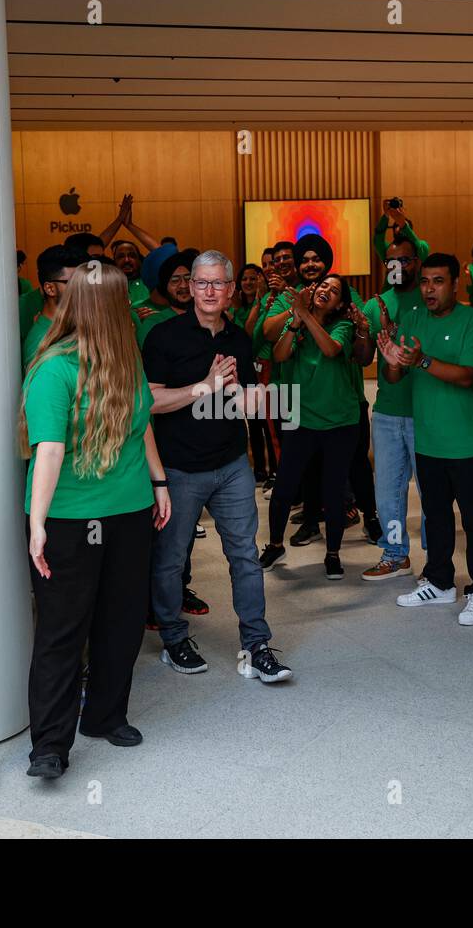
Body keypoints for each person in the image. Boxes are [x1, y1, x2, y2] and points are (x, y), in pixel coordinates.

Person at [22, 264, 170, 779]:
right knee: (63, 631)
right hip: (69, 517)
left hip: (129, 511)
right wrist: (37, 523)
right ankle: (50, 745)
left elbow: (143, 422)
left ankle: (105, 716)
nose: (130, 307)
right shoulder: (54, 369)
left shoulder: (127, 359)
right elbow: (49, 450)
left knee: (123, 621)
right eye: (121, 301)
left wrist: (159, 481)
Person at [144, 250, 293, 682]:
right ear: (190, 287)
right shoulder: (163, 337)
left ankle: (256, 645)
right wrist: (202, 388)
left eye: (219, 284)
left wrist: (257, 398)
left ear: (230, 290)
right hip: (178, 468)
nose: (210, 291)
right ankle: (173, 639)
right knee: (171, 560)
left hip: (231, 464)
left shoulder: (238, 340)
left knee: (245, 555)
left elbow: (242, 399)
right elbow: (149, 403)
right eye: (201, 283)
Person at [380, 253, 473, 622]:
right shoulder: (412, 319)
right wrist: (394, 362)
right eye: (425, 282)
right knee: (435, 516)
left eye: (438, 281)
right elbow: (396, 378)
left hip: (468, 442)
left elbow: (467, 376)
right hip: (427, 440)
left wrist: (422, 361)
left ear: (454, 284)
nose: (429, 289)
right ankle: (440, 581)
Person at [259, 274, 361, 580]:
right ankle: (275, 544)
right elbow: (279, 354)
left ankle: (332, 554)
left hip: (340, 423)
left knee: (332, 492)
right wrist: (295, 320)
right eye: (322, 287)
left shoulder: (343, 325)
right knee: (284, 488)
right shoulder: (297, 324)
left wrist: (306, 315)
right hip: (300, 420)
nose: (325, 291)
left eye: (334, 291)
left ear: (340, 303)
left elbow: (330, 349)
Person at [361, 231, 427, 581]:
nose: (397, 266)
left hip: (425, 412)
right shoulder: (376, 305)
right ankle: (396, 553)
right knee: (387, 491)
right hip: (387, 413)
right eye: (392, 261)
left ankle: (437, 559)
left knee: (431, 492)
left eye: (404, 260)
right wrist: (364, 331)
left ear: (416, 262)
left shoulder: (429, 298)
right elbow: (362, 358)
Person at [235, 264, 278, 483]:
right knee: (253, 421)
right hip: (248, 369)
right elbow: (246, 335)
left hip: (266, 367)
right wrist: (259, 304)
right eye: (245, 279)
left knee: (269, 420)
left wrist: (262, 302)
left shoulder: (272, 303)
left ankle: (274, 471)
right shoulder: (237, 310)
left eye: (254, 278)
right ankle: (260, 470)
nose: (249, 283)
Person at [22, 245, 86, 372]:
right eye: (74, 283)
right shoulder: (42, 343)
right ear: (50, 289)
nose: (83, 288)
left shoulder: (65, 328)